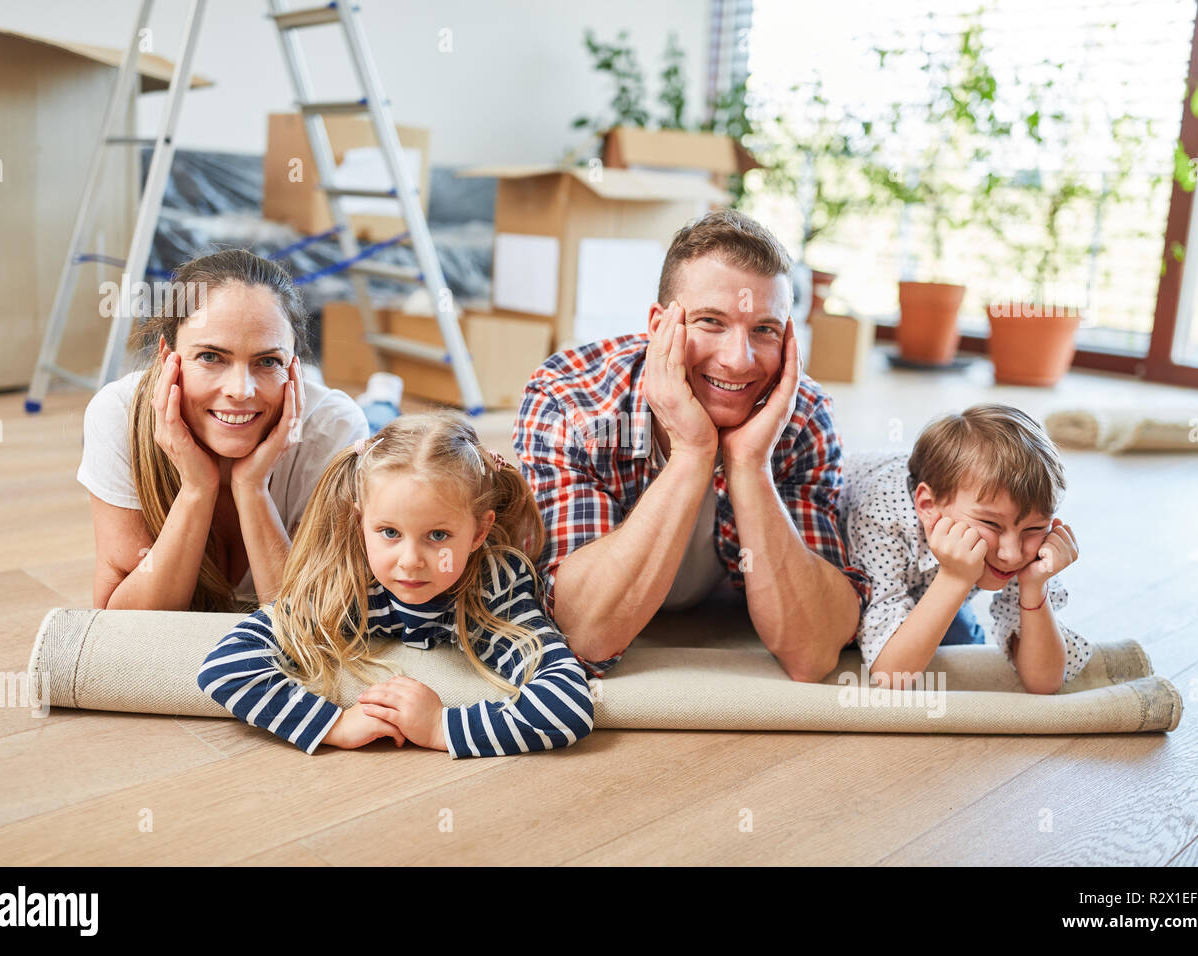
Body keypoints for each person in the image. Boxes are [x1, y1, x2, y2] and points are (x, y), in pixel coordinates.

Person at [512, 209, 870, 683]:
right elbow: (583, 635)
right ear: (660, 326)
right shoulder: (570, 400)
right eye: (711, 321)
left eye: (764, 329)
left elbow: (813, 652)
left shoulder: (801, 413)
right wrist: (691, 454)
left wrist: (750, 465)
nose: (738, 360)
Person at [196, 411, 595, 757]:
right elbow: (227, 667)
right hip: (367, 441)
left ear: (478, 533)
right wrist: (334, 726)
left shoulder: (496, 588)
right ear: (359, 523)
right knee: (376, 413)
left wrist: (441, 727)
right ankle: (382, 399)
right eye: (388, 532)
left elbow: (568, 705)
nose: (409, 561)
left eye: (438, 535)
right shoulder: (346, 582)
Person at [77, 249, 369, 612]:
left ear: (294, 367)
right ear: (167, 357)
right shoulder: (117, 414)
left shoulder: (335, 428)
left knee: (378, 428)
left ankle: (383, 396)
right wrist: (197, 489)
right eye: (211, 357)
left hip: (334, 421)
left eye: (268, 361)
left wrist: (252, 488)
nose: (240, 389)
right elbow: (122, 625)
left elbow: (311, 623)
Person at [840, 404, 1091, 695]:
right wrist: (955, 578)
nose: (1012, 554)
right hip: (851, 572)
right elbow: (891, 676)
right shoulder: (882, 515)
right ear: (928, 506)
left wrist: (1035, 585)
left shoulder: (1022, 544)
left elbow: (1045, 682)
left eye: (1034, 528)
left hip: (926, 579)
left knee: (958, 642)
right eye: (991, 524)